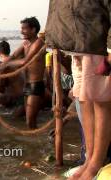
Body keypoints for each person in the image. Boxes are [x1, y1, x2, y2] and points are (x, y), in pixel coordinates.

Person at [46, 1, 111, 179]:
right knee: (83, 97)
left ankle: (96, 162)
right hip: (75, 42)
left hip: (95, 40)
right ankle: (90, 158)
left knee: (100, 101)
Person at [5, 17, 46, 129]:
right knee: (28, 121)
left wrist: (7, 65)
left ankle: (37, 143)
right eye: (21, 28)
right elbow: (13, 56)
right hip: (27, 85)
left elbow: (25, 61)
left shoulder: (39, 43)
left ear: (33, 30)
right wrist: (1, 66)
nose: (21, 31)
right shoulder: (25, 43)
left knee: (30, 122)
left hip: (36, 86)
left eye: (24, 29)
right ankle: (34, 142)